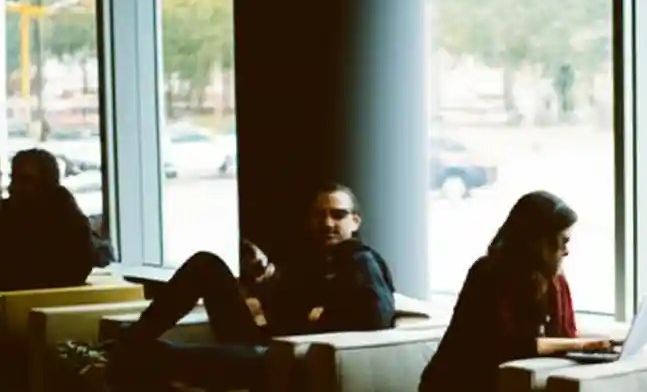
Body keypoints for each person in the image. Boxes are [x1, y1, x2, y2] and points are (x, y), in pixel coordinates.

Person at [418, 190, 609, 392]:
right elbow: (510, 345)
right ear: (538, 241)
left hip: (505, 384)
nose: (567, 250)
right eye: (562, 241)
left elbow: (565, 335)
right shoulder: (488, 273)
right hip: (456, 387)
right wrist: (581, 345)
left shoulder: (556, 281)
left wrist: (591, 347)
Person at [116, 183, 395, 355]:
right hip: (266, 341)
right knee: (205, 264)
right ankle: (131, 342)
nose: (327, 223)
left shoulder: (361, 261)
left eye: (338, 215)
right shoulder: (311, 257)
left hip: (288, 353)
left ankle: (126, 349)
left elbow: (378, 317)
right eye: (319, 215)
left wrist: (322, 318)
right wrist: (265, 275)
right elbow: (289, 302)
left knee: (171, 356)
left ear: (355, 221)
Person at [0, 148, 96, 291]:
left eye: (25, 181)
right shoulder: (9, 213)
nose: (12, 187)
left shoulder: (69, 225)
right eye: (13, 178)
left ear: (47, 185)